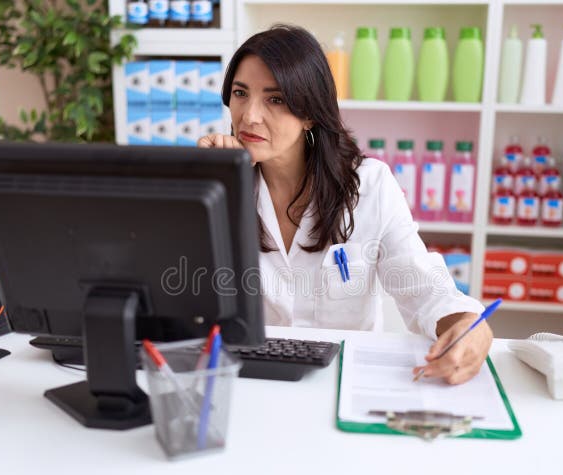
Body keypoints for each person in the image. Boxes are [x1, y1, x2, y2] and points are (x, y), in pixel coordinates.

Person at [197, 25, 492, 385]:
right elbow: (182, 296)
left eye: (275, 99)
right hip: (253, 380)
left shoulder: (369, 185)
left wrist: (468, 323)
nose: (249, 116)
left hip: (343, 380)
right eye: (240, 93)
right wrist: (206, 187)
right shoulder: (217, 187)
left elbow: (422, 285)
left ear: (309, 113)